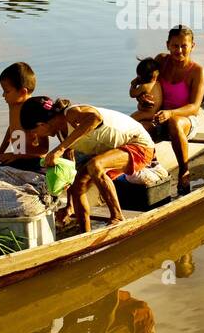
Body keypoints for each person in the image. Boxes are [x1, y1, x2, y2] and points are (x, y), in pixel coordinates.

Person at [20, 97, 155, 232]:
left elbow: (94, 118)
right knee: (78, 185)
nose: (36, 136)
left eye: (34, 132)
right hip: (111, 151)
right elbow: (71, 172)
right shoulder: (61, 134)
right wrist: (69, 206)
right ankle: (85, 233)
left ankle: (117, 217)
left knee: (95, 165)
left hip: (139, 146)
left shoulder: (71, 113)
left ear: (41, 125)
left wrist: (60, 148)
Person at [149, 25, 204, 194]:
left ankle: (184, 170)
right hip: (160, 116)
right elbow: (147, 85)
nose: (179, 50)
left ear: (192, 46)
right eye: (175, 46)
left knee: (174, 122)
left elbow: (194, 107)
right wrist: (144, 98)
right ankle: (145, 166)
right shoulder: (160, 61)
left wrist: (171, 113)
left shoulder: (197, 71)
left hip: (185, 120)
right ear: (168, 45)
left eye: (184, 46)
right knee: (138, 128)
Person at [0, 61, 49, 170]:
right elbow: (12, 127)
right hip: (18, 156)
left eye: (6, 91)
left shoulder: (34, 110)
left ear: (22, 92)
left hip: (33, 160)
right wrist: (1, 151)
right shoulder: (13, 104)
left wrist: (16, 155)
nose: (3, 95)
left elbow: (43, 149)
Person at [129, 56, 164, 126]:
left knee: (130, 120)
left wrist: (133, 84)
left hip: (146, 113)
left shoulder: (144, 87)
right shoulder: (158, 84)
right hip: (155, 113)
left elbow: (132, 94)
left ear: (141, 77)